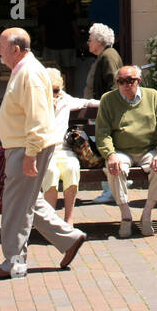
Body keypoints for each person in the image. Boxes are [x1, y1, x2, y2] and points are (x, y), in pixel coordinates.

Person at [0, 27, 86, 279]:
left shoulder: (28, 72)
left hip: (27, 147)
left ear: (16, 49)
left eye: (0, 45)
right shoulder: (24, 70)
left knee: (16, 206)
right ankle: (69, 238)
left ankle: (14, 262)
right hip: (24, 146)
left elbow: (38, 117)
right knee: (28, 201)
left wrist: (30, 154)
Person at [96, 65, 157, 237]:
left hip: (148, 149)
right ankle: (126, 215)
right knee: (114, 169)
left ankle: (147, 214)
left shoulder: (152, 96)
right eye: (121, 81)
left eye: (130, 80)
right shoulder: (108, 99)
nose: (126, 85)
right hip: (121, 151)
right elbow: (102, 132)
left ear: (138, 81)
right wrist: (110, 154)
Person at [41, 68, 99, 225]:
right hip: (44, 151)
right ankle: (50, 221)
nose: (55, 95)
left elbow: (85, 102)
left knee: (72, 167)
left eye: (57, 90)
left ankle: (69, 218)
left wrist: (106, 102)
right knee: (51, 171)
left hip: (63, 150)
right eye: (50, 91)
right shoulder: (35, 103)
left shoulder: (64, 99)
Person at [84, 23, 122, 204]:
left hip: (104, 115)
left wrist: (104, 111)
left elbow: (113, 87)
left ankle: (111, 189)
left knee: (106, 149)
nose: (88, 42)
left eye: (90, 39)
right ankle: (113, 187)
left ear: (99, 41)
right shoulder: (106, 56)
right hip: (102, 113)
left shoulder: (108, 57)